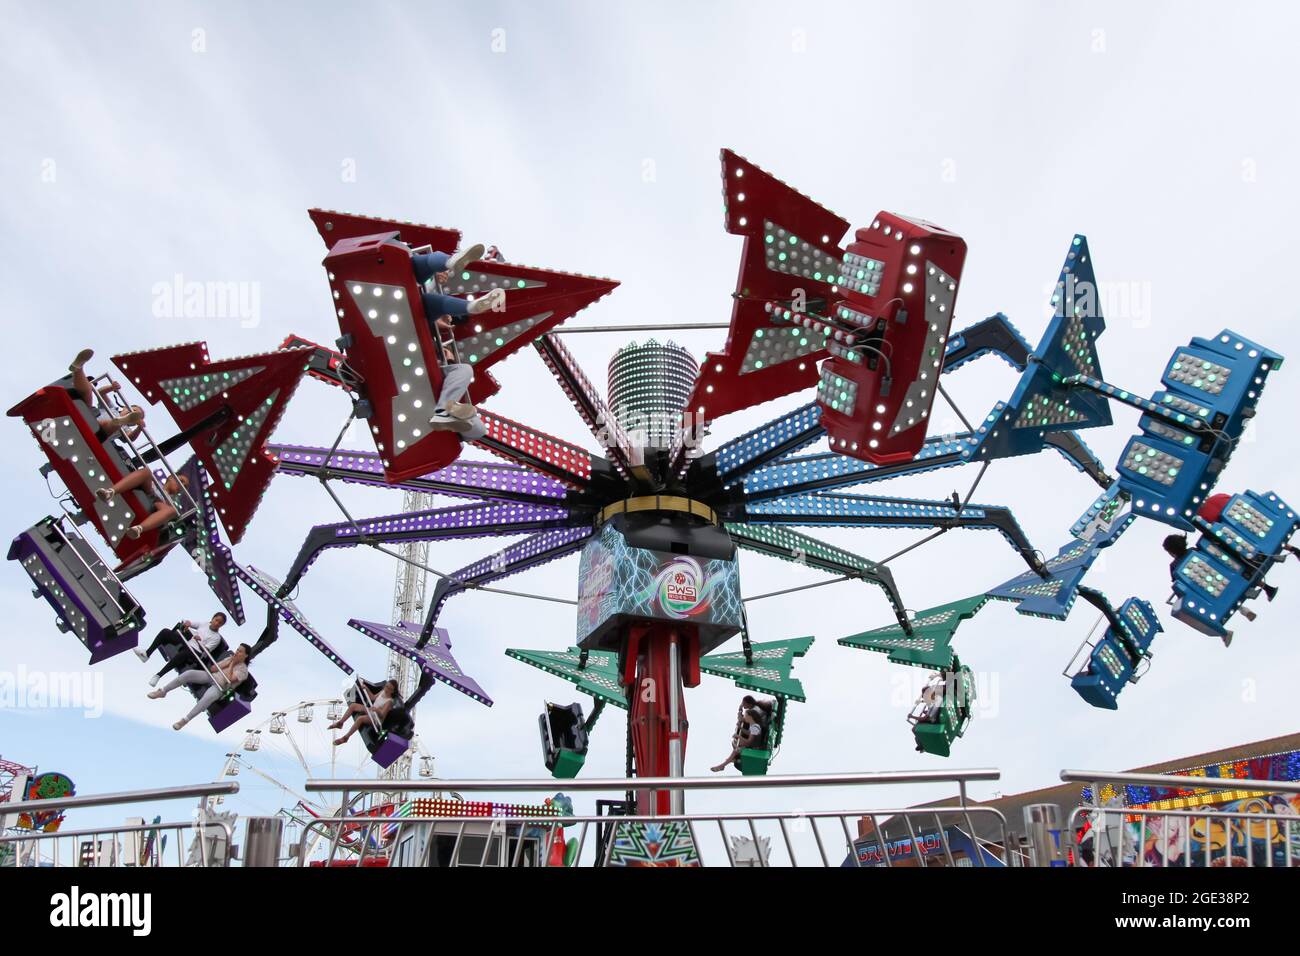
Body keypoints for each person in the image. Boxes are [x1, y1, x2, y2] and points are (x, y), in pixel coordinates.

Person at [147, 644, 251, 731]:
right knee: (188, 674)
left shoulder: (243, 671)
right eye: (237, 649)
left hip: (220, 687)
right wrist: (227, 662)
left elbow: (229, 679)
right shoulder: (229, 658)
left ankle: (185, 720)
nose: (237, 652)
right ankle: (163, 691)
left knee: (207, 698)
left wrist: (232, 664)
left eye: (240, 651)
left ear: (245, 655)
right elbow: (213, 668)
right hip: (212, 677)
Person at [67, 349, 145, 442]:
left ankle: (119, 421)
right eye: (133, 410)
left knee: (111, 425)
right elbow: (100, 392)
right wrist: (111, 387)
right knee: (88, 391)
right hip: (86, 417)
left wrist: (139, 428)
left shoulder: (126, 429)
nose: (131, 412)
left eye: (135, 415)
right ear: (124, 407)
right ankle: (78, 367)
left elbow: (131, 438)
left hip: (96, 434)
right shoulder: (111, 407)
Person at [135, 614, 228, 687]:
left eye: (220, 623)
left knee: (184, 654)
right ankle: (147, 654)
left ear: (221, 625)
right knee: (165, 632)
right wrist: (188, 623)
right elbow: (190, 623)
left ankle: (158, 675)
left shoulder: (216, 638)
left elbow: (206, 650)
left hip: (196, 652)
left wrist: (200, 641)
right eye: (216, 620)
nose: (217, 623)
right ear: (212, 619)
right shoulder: (205, 624)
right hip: (188, 642)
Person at [96, 468, 189, 539]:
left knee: (172, 510)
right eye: (181, 481)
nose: (181, 486)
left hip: (159, 503)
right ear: (171, 477)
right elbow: (150, 484)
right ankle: (110, 492)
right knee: (146, 471)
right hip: (151, 491)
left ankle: (139, 529)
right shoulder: (155, 483)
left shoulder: (171, 504)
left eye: (184, 486)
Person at [329, 679, 399, 746]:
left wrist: (377, 710)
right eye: (386, 686)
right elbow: (373, 698)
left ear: (392, 691)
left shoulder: (389, 701)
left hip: (376, 719)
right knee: (353, 706)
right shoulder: (382, 691)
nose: (387, 689)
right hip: (371, 711)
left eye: (389, 689)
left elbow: (382, 715)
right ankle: (340, 723)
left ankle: (346, 737)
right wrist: (366, 688)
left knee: (360, 719)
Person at [710, 706, 766, 772]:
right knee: (736, 744)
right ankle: (730, 761)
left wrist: (739, 736)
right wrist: (741, 728)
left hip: (755, 748)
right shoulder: (753, 725)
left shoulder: (755, 727)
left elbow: (749, 742)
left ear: (750, 717)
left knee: (736, 750)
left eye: (746, 716)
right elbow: (750, 733)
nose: (744, 717)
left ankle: (722, 765)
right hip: (753, 745)